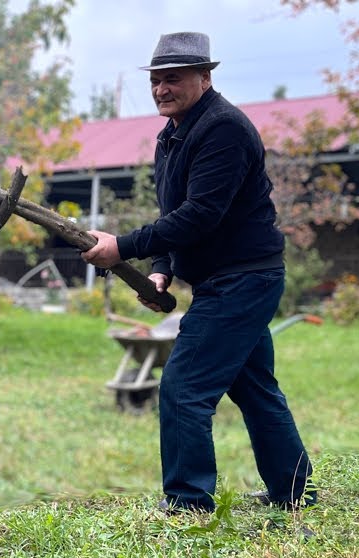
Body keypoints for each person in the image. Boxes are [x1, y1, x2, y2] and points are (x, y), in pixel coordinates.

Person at [81, 31, 314, 513]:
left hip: (244, 281)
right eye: (157, 80)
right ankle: (295, 491)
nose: (162, 89)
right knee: (254, 389)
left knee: (184, 387)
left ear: (205, 78)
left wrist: (122, 246)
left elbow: (201, 214)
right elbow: (175, 212)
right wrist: (162, 271)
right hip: (225, 281)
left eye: (175, 79)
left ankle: (188, 505)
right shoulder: (173, 135)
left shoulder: (223, 129)